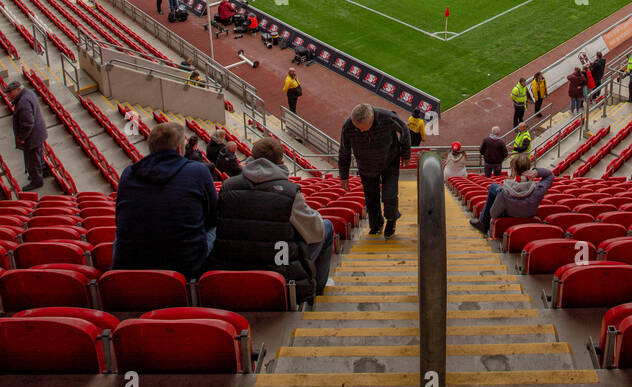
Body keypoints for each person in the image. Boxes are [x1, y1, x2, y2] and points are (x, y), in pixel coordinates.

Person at [211, 137, 332, 300]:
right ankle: (316, 289)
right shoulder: (290, 192)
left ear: (251, 157)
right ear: (281, 161)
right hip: (279, 267)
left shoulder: (226, 187)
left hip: (232, 266)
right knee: (327, 226)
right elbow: (316, 232)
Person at [113, 120, 217, 279]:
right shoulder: (198, 171)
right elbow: (213, 217)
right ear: (179, 148)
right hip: (186, 267)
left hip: (131, 265)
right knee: (215, 229)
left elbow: (119, 217)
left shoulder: (128, 173)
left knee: (119, 235)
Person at [339, 102, 411, 238]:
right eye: (358, 128)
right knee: (371, 199)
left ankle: (391, 219)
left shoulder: (387, 117)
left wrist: (406, 154)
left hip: (389, 161)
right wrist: (344, 175)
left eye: (364, 128)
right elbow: (344, 152)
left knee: (389, 195)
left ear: (372, 119)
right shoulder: (348, 126)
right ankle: (376, 224)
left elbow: (404, 130)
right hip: (366, 166)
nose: (361, 131)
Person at [470, 135, 554, 235]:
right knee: (493, 187)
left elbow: (493, 213)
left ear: (513, 170)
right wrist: (536, 172)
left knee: (493, 187)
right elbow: (550, 175)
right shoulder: (538, 190)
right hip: (528, 214)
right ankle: (483, 223)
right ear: (528, 169)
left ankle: (483, 223)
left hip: (510, 213)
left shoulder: (504, 192)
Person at [8, 77, 46, 191]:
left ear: (18, 90)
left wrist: (22, 138)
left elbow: (27, 123)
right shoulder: (29, 93)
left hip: (31, 137)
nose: (8, 95)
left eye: (10, 92)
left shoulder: (23, 102)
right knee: (38, 155)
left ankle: (37, 181)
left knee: (32, 160)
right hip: (38, 133)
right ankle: (43, 172)